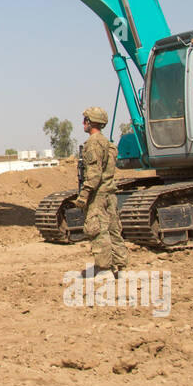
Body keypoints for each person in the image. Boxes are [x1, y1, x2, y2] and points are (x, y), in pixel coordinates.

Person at [74, 106, 126, 276]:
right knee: (114, 230)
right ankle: (121, 267)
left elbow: (94, 175)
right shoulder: (108, 144)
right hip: (110, 192)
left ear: (90, 122)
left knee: (98, 230)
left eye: (85, 121)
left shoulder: (93, 144)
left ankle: (104, 270)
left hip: (98, 195)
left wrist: (83, 196)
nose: (83, 124)